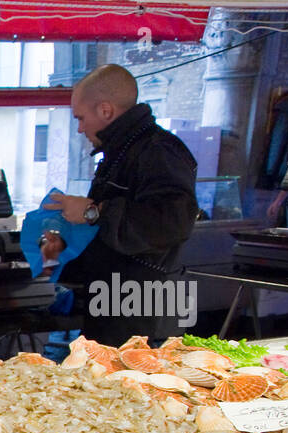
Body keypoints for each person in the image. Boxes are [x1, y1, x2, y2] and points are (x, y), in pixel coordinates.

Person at [43, 64, 198, 344]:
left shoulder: (158, 150)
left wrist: (92, 211)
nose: (80, 128)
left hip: (144, 315)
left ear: (105, 110)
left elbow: (171, 223)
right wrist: (63, 253)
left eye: (81, 118)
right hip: (113, 307)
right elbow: (112, 236)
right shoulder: (120, 153)